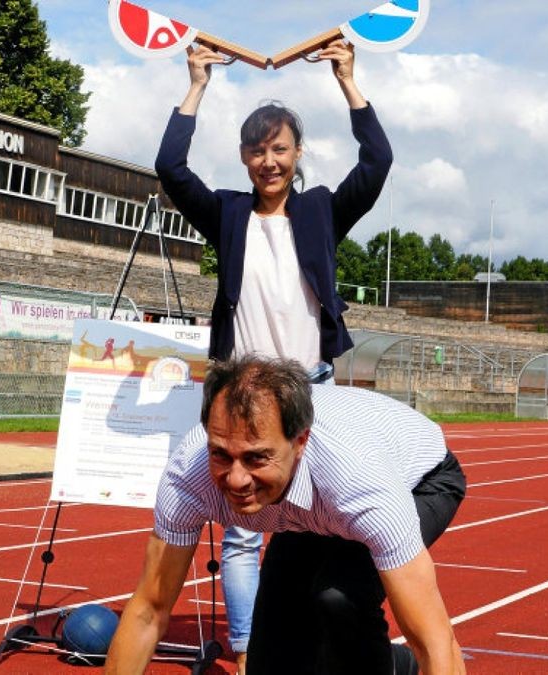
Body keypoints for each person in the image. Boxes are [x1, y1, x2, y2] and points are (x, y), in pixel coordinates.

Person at [153, 37, 392, 670]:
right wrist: (197, 84)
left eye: (280, 148)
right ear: (244, 157)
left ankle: (320, 640)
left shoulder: (318, 213)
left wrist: (348, 79)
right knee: (240, 530)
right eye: (257, 150)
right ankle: (248, 651)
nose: (269, 160)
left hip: (313, 388)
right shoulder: (228, 215)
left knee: (324, 514)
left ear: (296, 153)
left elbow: (377, 163)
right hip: (242, 391)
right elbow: (171, 169)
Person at [105, 356, 467, 674]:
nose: (236, 479)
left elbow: (433, 642)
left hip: (420, 479)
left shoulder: (360, 482)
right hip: (305, 505)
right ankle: (390, 663)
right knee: (273, 658)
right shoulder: (189, 475)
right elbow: (149, 610)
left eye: (256, 458)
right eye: (221, 454)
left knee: (339, 595)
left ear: (300, 443)